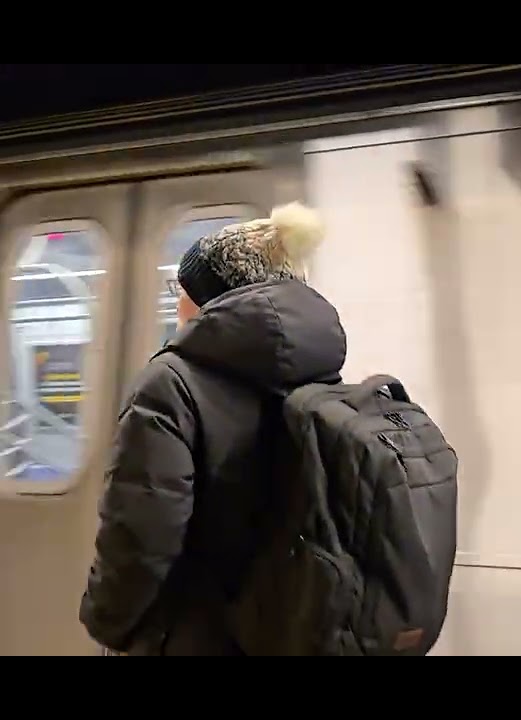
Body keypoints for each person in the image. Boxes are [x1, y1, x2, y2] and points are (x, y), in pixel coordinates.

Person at [79, 203, 346, 656]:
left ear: (212, 297)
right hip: (287, 627)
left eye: (182, 288)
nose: (177, 300)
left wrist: (107, 621)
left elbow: (143, 533)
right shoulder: (320, 376)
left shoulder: (171, 384)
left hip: (193, 633)